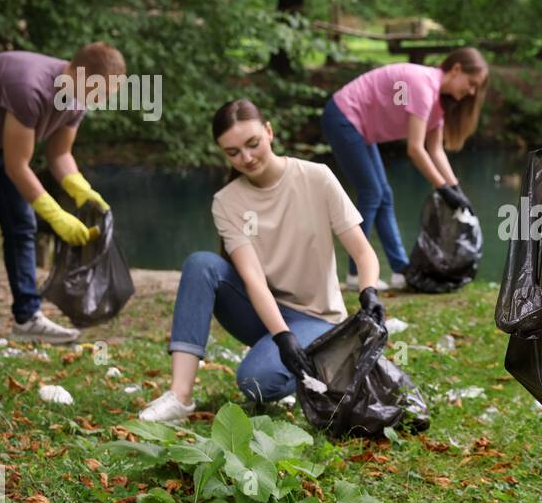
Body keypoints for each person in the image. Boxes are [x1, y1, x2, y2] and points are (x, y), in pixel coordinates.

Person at [139, 99, 385, 424]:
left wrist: (369, 290)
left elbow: (364, 251)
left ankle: (319, 366)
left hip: (317, 317)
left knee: (255, 382)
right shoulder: (226, 202)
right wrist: (282, 336)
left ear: (269, 132)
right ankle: (180, 396)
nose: (246, 158)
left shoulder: (317, 177)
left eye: (252, 144)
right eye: (233, 152)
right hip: (263, 312)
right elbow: (252, 279)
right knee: (201, 264)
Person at [0, 44, 126, 344]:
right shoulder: (30, 87)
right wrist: (57, 215)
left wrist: (83, 192)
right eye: (97, 93)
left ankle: (27, 317)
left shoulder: (78, 94)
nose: (98, 101)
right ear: (78, 72)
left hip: (1, 144)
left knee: (23, 226)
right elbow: (17, 165)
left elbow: (60, 154)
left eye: (104, 95)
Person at [320, 48, 487, 290]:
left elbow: (435, 150)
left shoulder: (437, 101)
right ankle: (357, 274)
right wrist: (443, 189)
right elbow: (415, 149)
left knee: (384, 195)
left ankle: (400, 270)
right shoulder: (423, 86)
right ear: (457, 69)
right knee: (372, 192)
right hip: (343, 116)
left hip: (360, 128)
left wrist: (456, 190)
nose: (471, 92)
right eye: (471, 84)